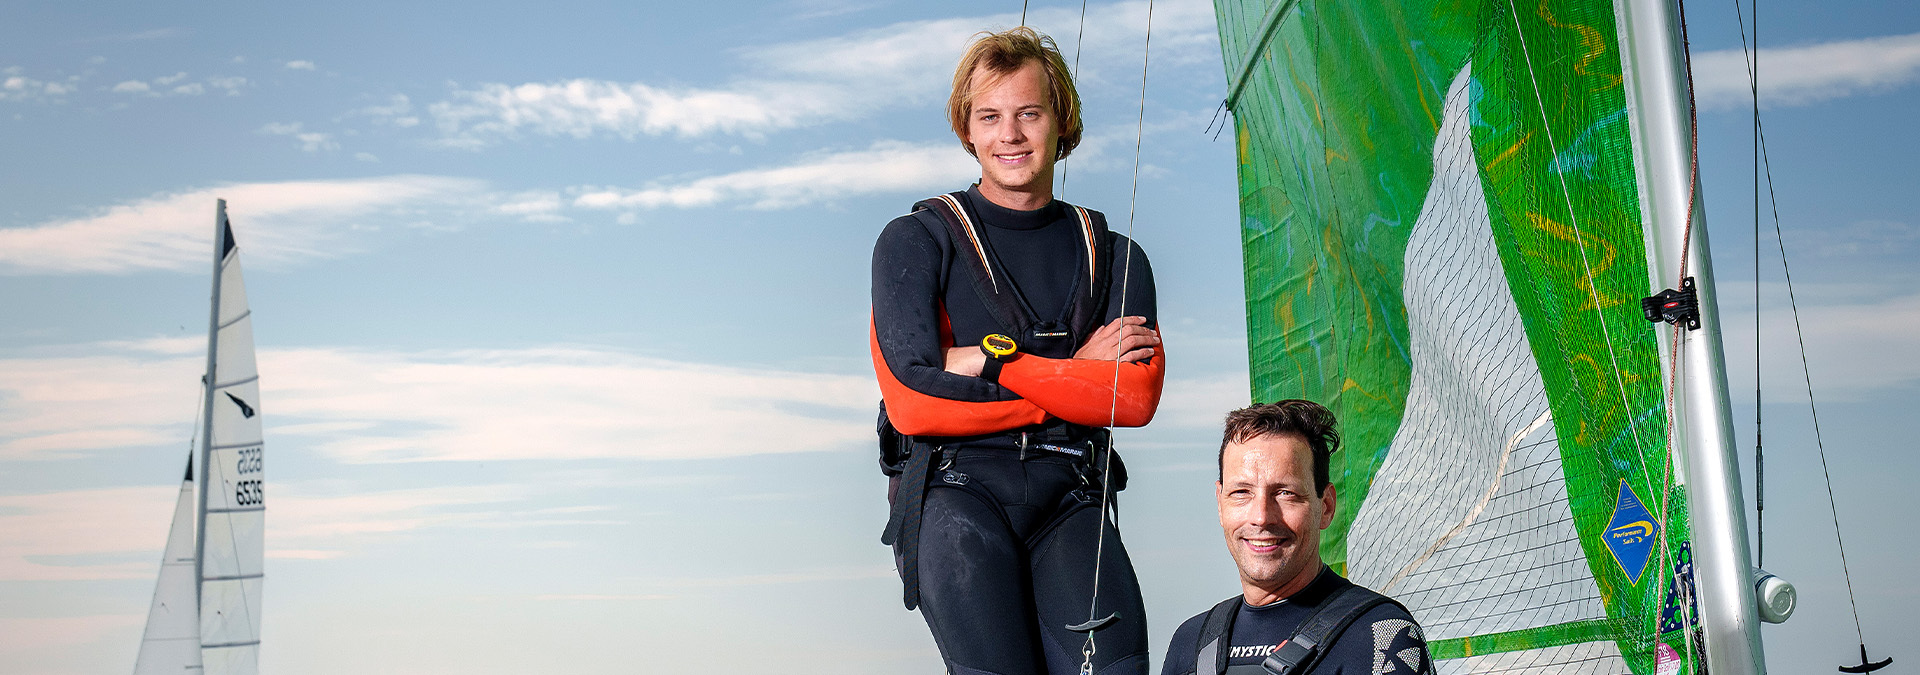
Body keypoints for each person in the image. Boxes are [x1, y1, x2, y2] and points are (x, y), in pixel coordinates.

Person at [870, 26, 1165, 675]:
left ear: (1061, 120)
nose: (1011, 134)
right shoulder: (916, 243)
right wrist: (1070, 376)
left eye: (1029, 113)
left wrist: (990, 359)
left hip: (1070, 496)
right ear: (967, 129)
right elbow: (916, 400)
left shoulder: (1114, 255)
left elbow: (1133, 395)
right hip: (957, 498)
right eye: (990, 116)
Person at [1159, 401, 1431, 675]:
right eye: (1241, 492)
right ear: (1220, 504)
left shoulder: (1382, 639)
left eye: (1285, 493)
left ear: (1325, 507)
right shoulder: (1190, 645)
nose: (1261, 517)